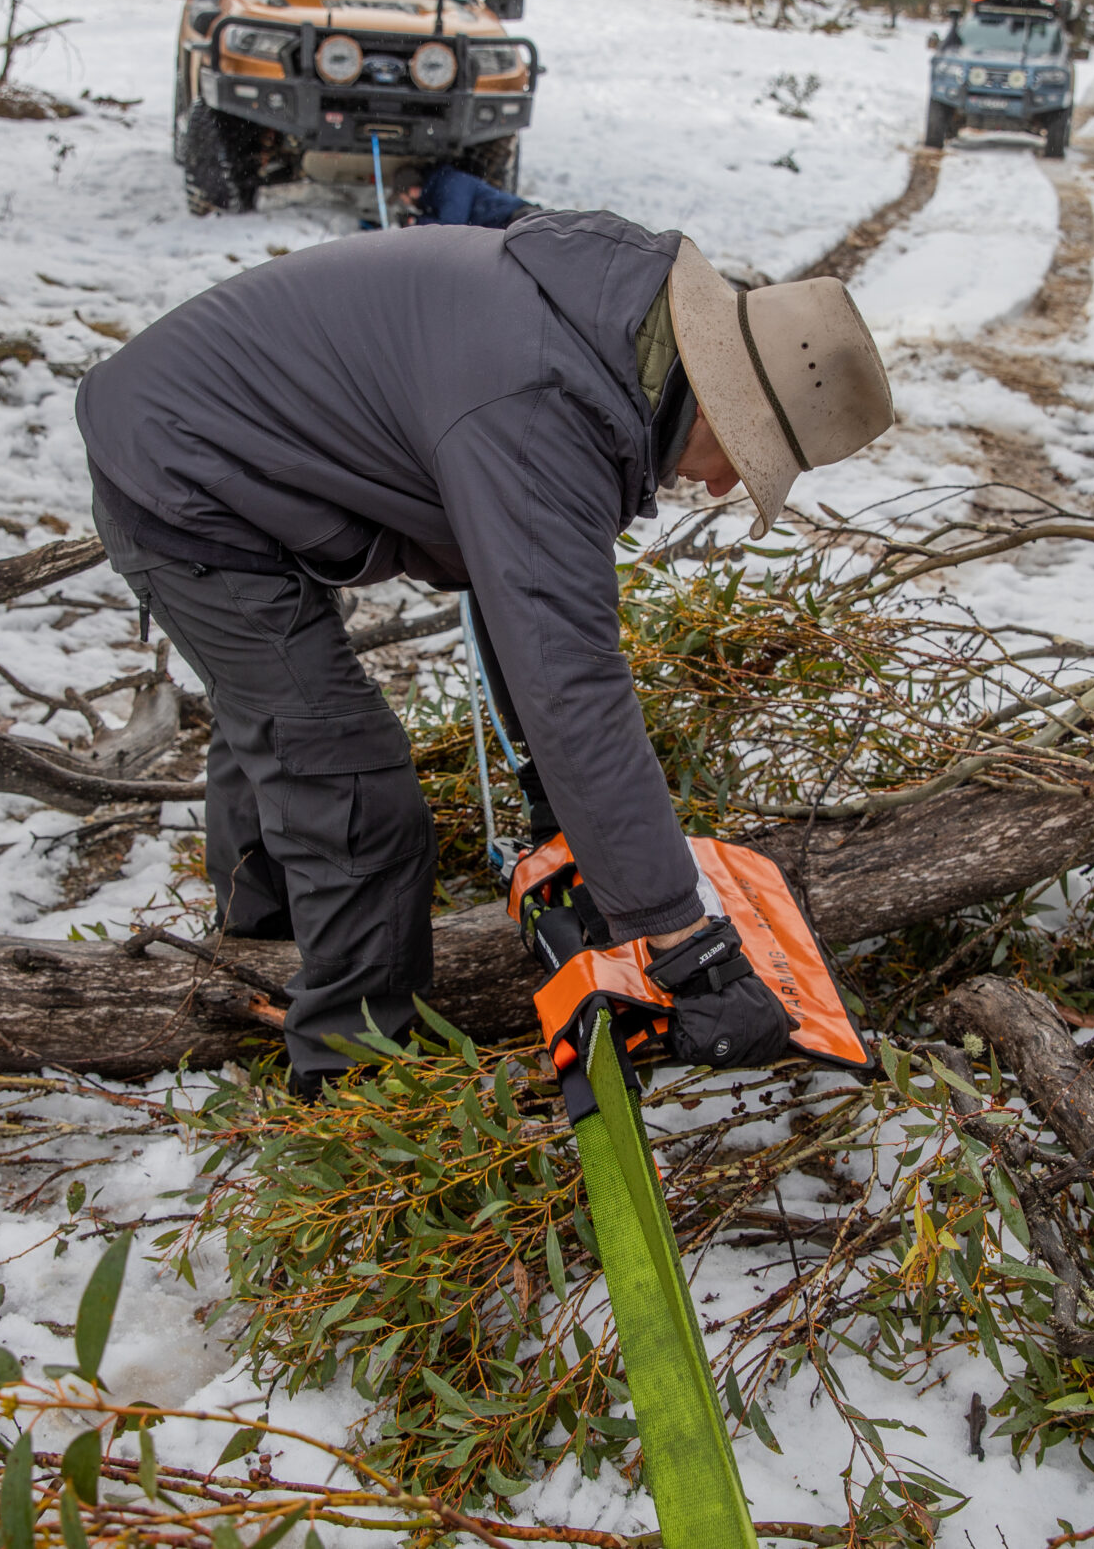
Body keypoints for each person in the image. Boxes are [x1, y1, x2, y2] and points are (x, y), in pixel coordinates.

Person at [76, 212, 893, 1095]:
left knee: (287, 714)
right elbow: (570, 676)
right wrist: (685, 945)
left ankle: (259, 945)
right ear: (716, 392)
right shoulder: (548, 405)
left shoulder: (606, 332)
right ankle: (349, 1096)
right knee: (356, 792)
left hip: (205, 437)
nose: (727, 484)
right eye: (744, 453)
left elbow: (527, 610)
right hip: (184, 479)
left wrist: (558, 797)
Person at [399, 159, 534, 228]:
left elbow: (452, 227)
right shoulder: (438, 191)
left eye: (403, 199)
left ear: (412, 190)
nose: (405, 203)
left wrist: (417, 221)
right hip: (508, 227)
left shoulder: (450, 184)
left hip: (522, 220)